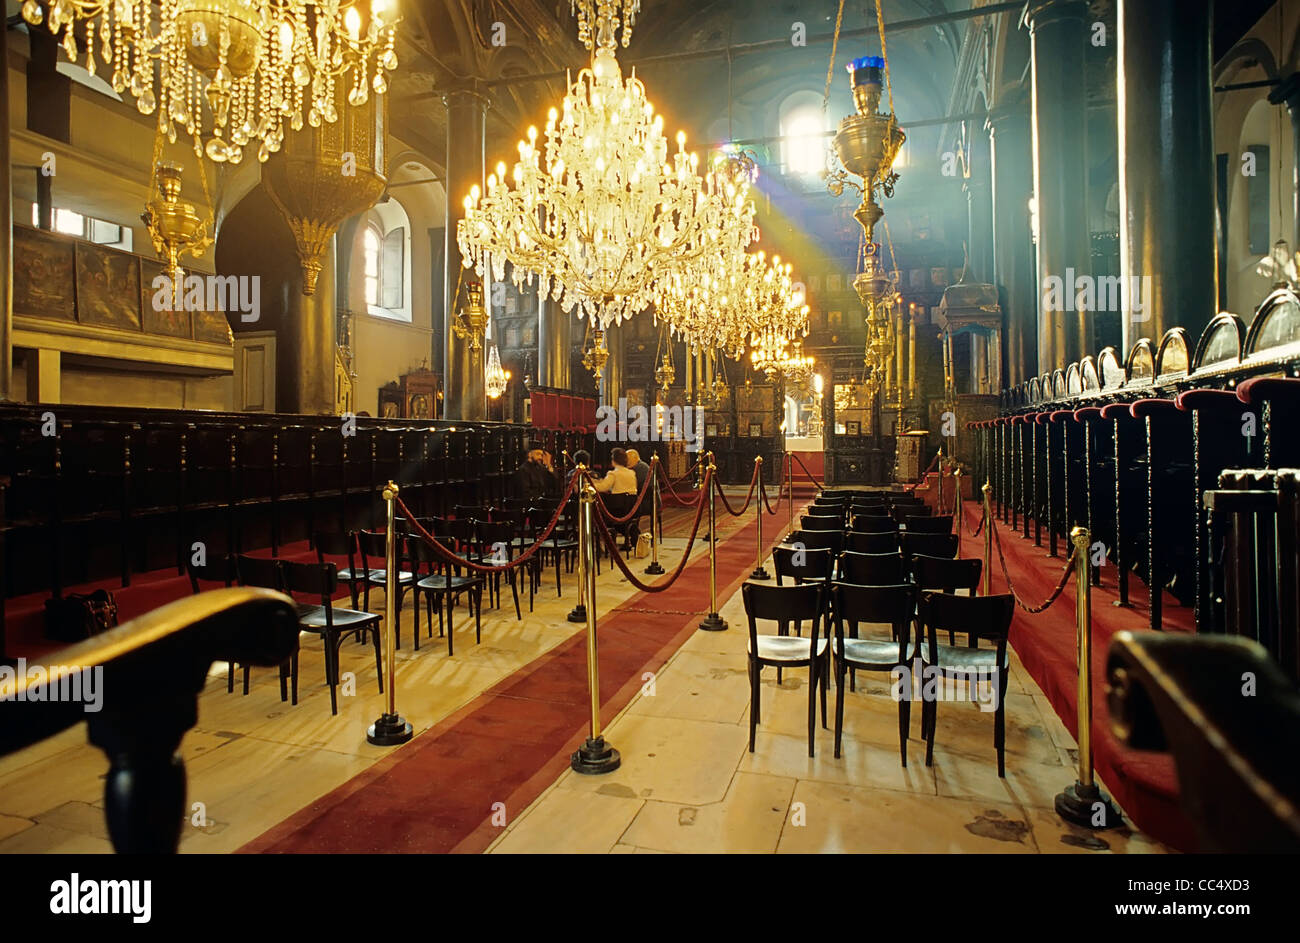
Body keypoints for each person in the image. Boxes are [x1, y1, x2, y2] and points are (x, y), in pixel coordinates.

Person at [593, 448, 640, 549]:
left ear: (613, 460)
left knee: (599, 511)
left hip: (617, 510)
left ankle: (604, 541)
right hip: (631, 508)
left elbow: (603, 487)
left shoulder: (613, 474)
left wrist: (590, 484)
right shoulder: (632, 473)